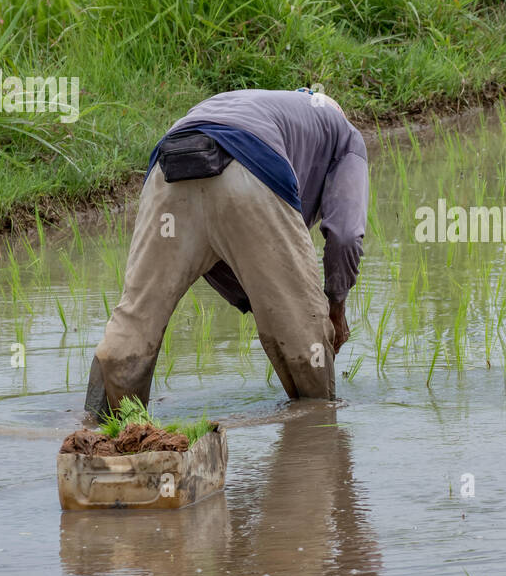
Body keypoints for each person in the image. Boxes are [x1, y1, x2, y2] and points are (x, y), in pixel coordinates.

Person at [84, 88, 368, 418]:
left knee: (134, 323)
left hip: (169, 164)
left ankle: (95, 430)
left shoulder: (264, 106)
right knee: (307, 344)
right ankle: (314, 443)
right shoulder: (345, 135)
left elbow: (216, 240)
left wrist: (255, 296)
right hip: (251, 162)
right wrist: (336, 308)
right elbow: (346, 235)